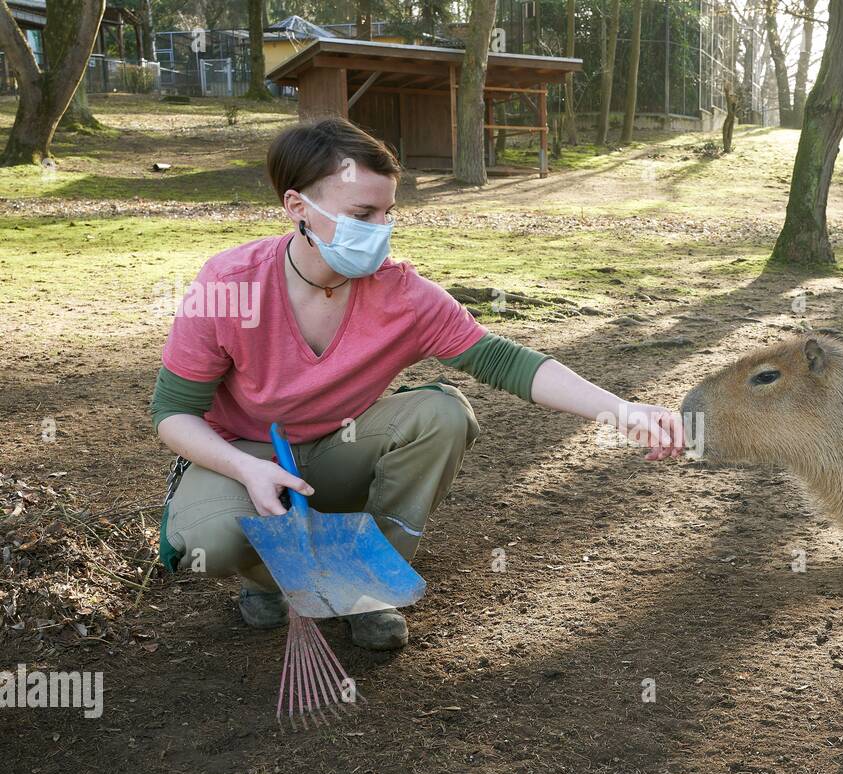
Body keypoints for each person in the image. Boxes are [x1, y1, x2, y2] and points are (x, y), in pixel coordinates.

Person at [150, 118, 684, 651]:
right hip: (242, 458)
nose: (379, 229)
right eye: (362, 214)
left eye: (387, 214)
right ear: (298, 208)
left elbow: (504, 361)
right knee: (212, 541)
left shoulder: (402, 294)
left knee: (443, 413)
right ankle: (269, 575)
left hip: (339, 449)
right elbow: (173, 413)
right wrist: (245, 467)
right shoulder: (229, 282)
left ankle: (365, 586)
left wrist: (621, 410)